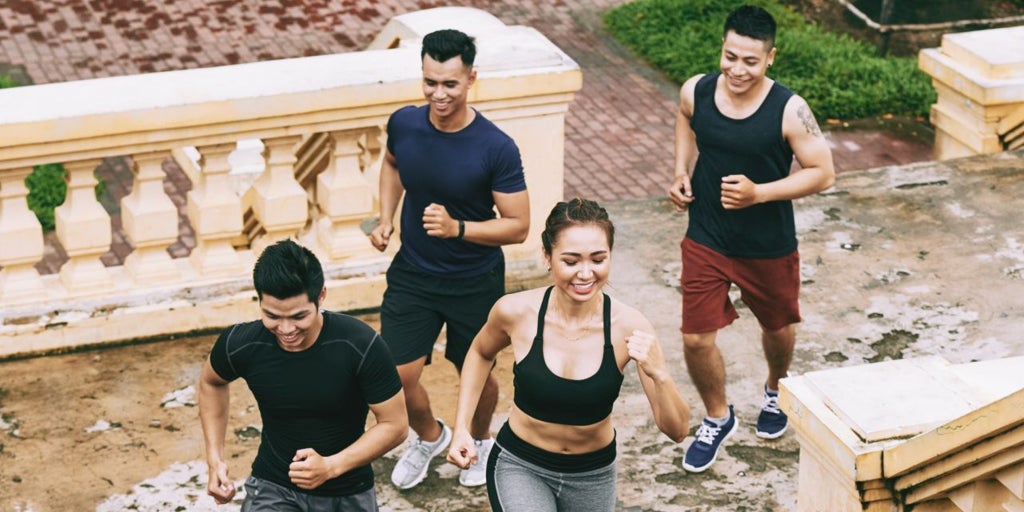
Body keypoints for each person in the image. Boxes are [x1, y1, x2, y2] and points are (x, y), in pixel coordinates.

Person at [667, 5, 836, 474]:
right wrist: (681, 171)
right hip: (706, 236)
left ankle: (775, 389)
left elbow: (824, 173)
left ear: (770, 58)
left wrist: (761, 193)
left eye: (750, 61)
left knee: (777, 327)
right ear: (722, 48)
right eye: (730, 56)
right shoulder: (697, 90)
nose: (737, 70)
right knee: (696, 339)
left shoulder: (789, 109)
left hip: (768, 244)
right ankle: (718, 417)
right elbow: (684, 118)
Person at [447, 198, 690, 511]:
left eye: (598, 259)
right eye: (571, 261)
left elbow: (678, 431)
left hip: (593, 475)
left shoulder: (630, 325)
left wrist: (662, 375)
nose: (585, 273)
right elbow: (480, 353)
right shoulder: (515, 311)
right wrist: (462, 428)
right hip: (520, 464)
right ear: (547, 257)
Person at [368, 28, 530, 490]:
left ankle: (477, 441)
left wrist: (459, 228)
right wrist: (385, 219)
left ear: (471, 79)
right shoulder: (404, 123)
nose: (439, 94)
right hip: (414, 273)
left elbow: (518, 225)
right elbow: (393, 165)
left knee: (476, 372)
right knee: (394, 377)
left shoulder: (495, 146)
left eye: (450, 84)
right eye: (430, 82)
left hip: (473, 280)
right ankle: (431, 437)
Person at [198, 239, 408, 510]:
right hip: (273, 485)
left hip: (347, 491)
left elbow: (396, 424)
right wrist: (215, 459)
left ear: (321, 296)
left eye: (299, 316)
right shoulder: (243, 343)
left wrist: (331, 466)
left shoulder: (359, 345)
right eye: (272, 316)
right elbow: (211, 382)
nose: (286, 329)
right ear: (259, 299)